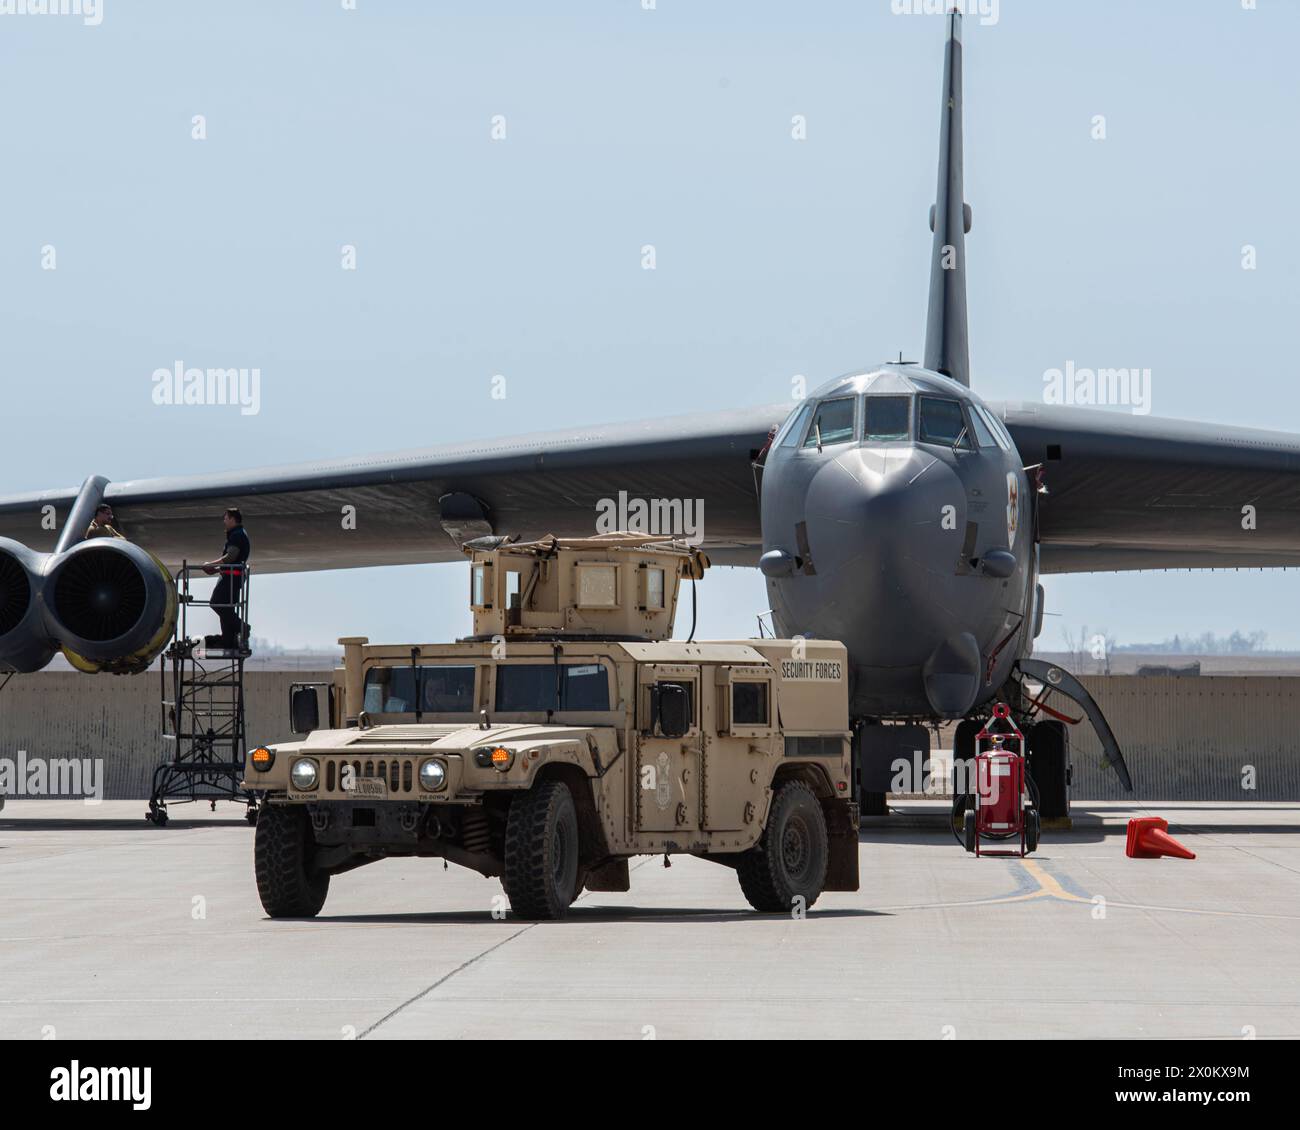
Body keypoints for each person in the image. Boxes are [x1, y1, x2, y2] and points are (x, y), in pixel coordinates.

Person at [202, 508, 251, 649]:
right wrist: (217, 569)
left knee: (217, 603)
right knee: (226, 607)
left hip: (231, 578)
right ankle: (228, 640)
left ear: (232, 519)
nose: (224, 521)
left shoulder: (236, 535)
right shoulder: (238, 534)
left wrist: (210, 564)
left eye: (225, 518)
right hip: (232, 576)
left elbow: (230, 557)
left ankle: (242, 627)